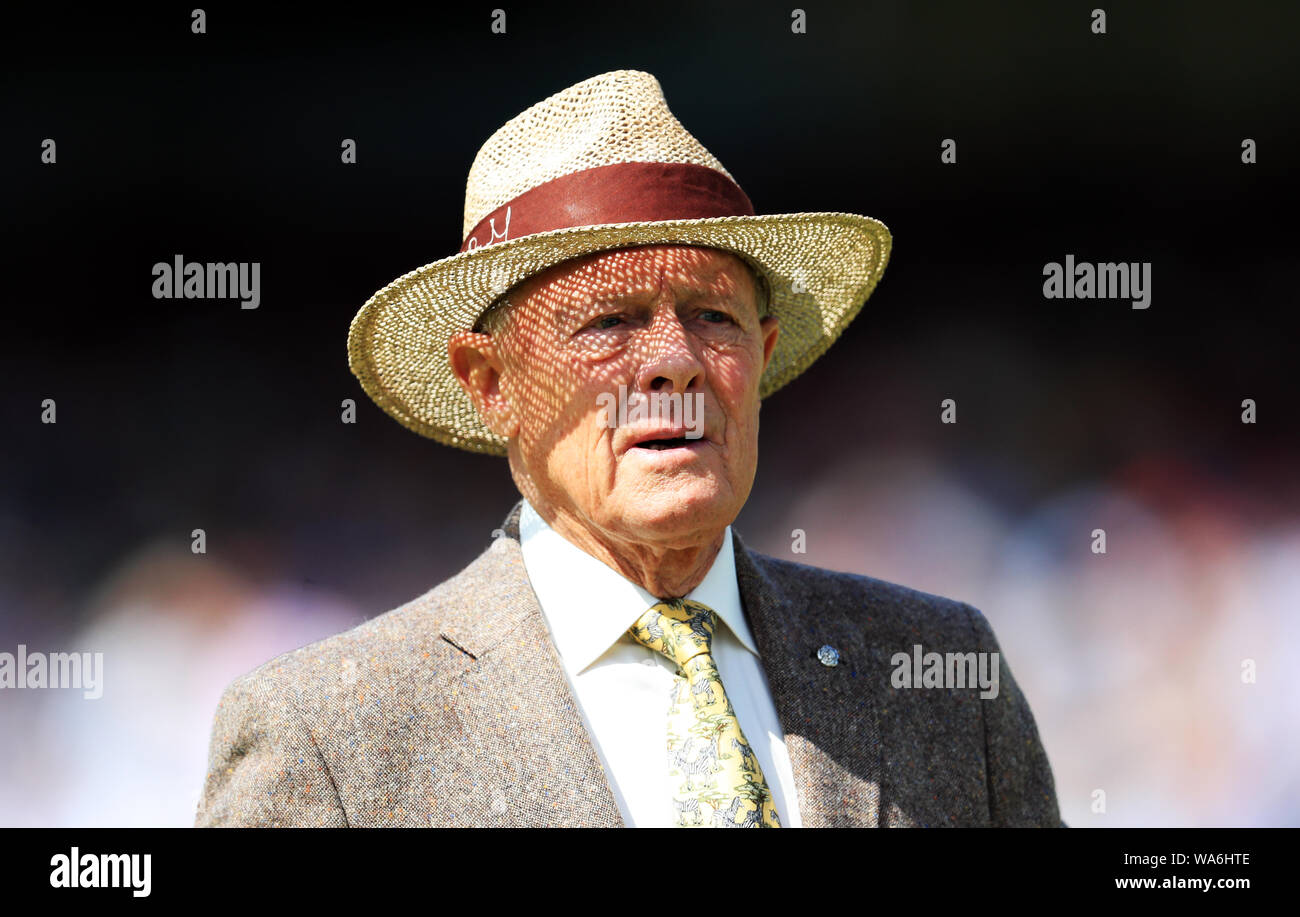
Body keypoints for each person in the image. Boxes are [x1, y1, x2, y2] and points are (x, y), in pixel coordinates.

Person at [195, 69, 1062, 827]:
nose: (675, 361)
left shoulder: (940, 673)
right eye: (610, 320)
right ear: (490, 382)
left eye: (711, 316)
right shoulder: (329, 732)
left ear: (759, 359)